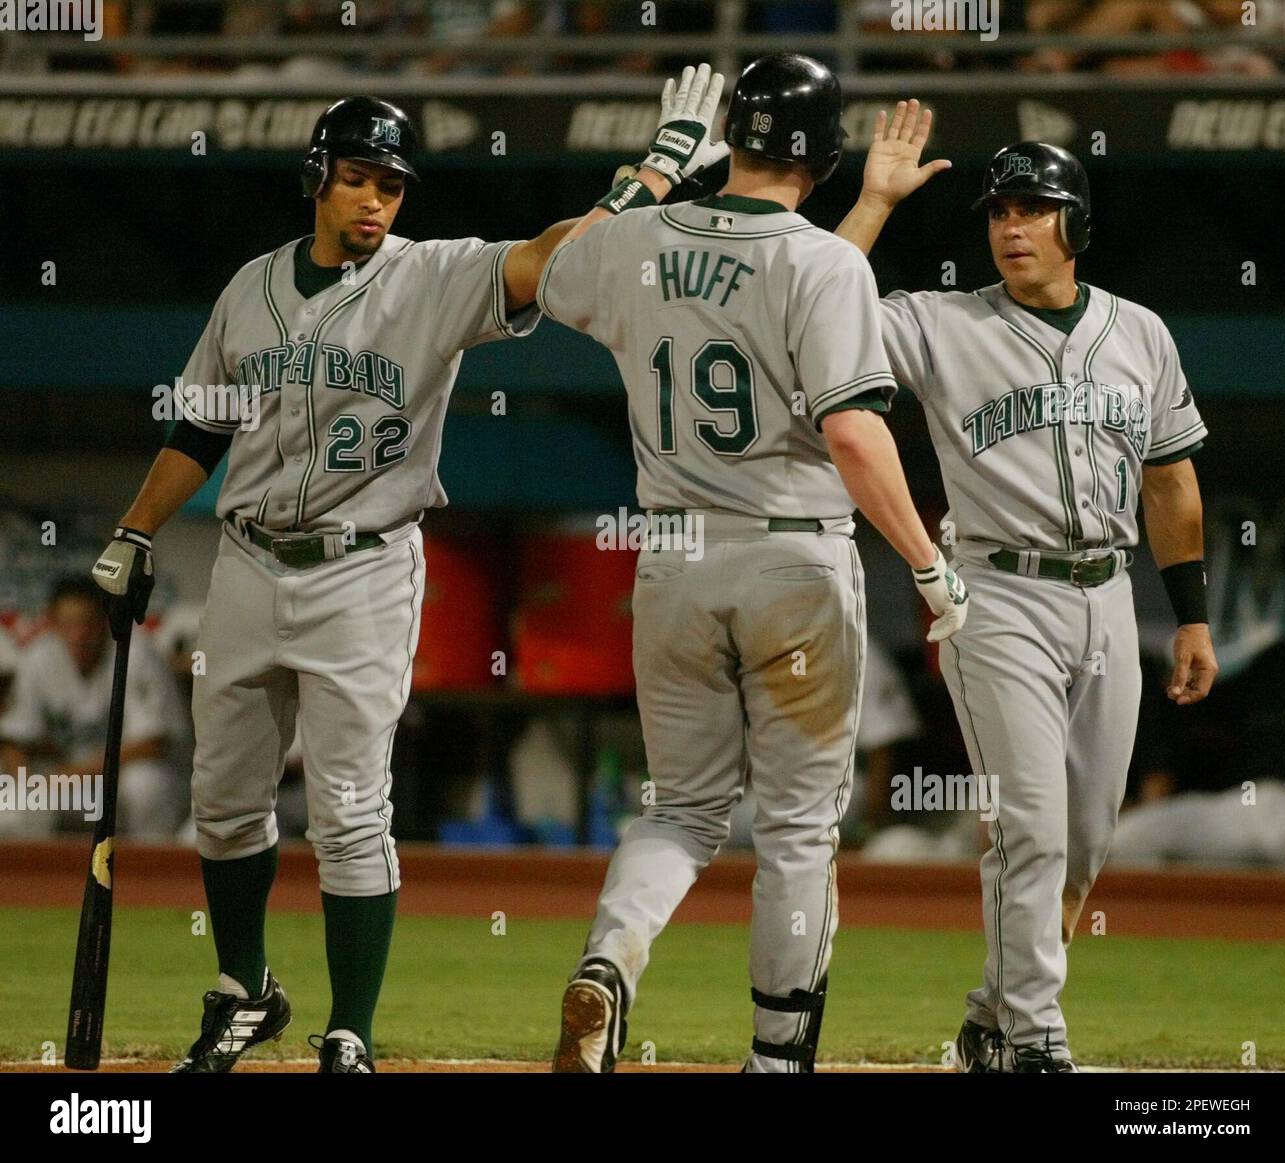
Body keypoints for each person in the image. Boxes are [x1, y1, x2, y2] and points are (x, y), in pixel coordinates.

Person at [90, 95, 578, 1073]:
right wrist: (132, 531)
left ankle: (349, 1028)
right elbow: (200, 430)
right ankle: (244, 989)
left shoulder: (429, 278)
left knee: (351, 806)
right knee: (223, 799)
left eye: (392, 184)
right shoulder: (250, 289)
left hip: (362, 567)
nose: (375, 199)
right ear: (319, 176)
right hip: (246, 561)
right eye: (358, 176)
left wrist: (638, 184)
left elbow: (543, 255)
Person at [537, 57, 968, 1073]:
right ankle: (777, 1057)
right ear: (821, 158)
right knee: (797, 829)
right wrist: (928, 564)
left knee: (681, 807)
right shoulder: (824, 263)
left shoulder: (642, 239)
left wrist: (653, 168)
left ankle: (606, 965)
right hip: (794, 564)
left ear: (729, 138)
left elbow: (552, 268)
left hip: (674, 559)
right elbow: (852, 427)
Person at [835, 103, 1218, 1070]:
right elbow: (816, 309)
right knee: (1033, 828)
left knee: (1086, 841)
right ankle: (1036, 1041)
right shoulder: (939, 322)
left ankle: (991, 1023)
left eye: (1033, 208)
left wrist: (1194, 616)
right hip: (995, 595)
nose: (1010, 226)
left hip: (1109, 596)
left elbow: (1171, 481)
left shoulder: (1141, 334)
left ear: (1073, 224)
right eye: (999, 210)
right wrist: (876, 200)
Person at [0, 577, 184, 839]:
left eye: (87, 623)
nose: (79, 635)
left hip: (120, 782)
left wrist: (67, 775)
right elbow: (14, 741)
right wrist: (23, 782)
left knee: (146, 786)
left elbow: (152, 744)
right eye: (68, 625)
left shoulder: (136, 654)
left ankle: (154, 875)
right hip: (65, 783)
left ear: (105, 621)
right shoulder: (38, 658)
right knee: (10, 802)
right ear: (51, 623)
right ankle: (38, 879)